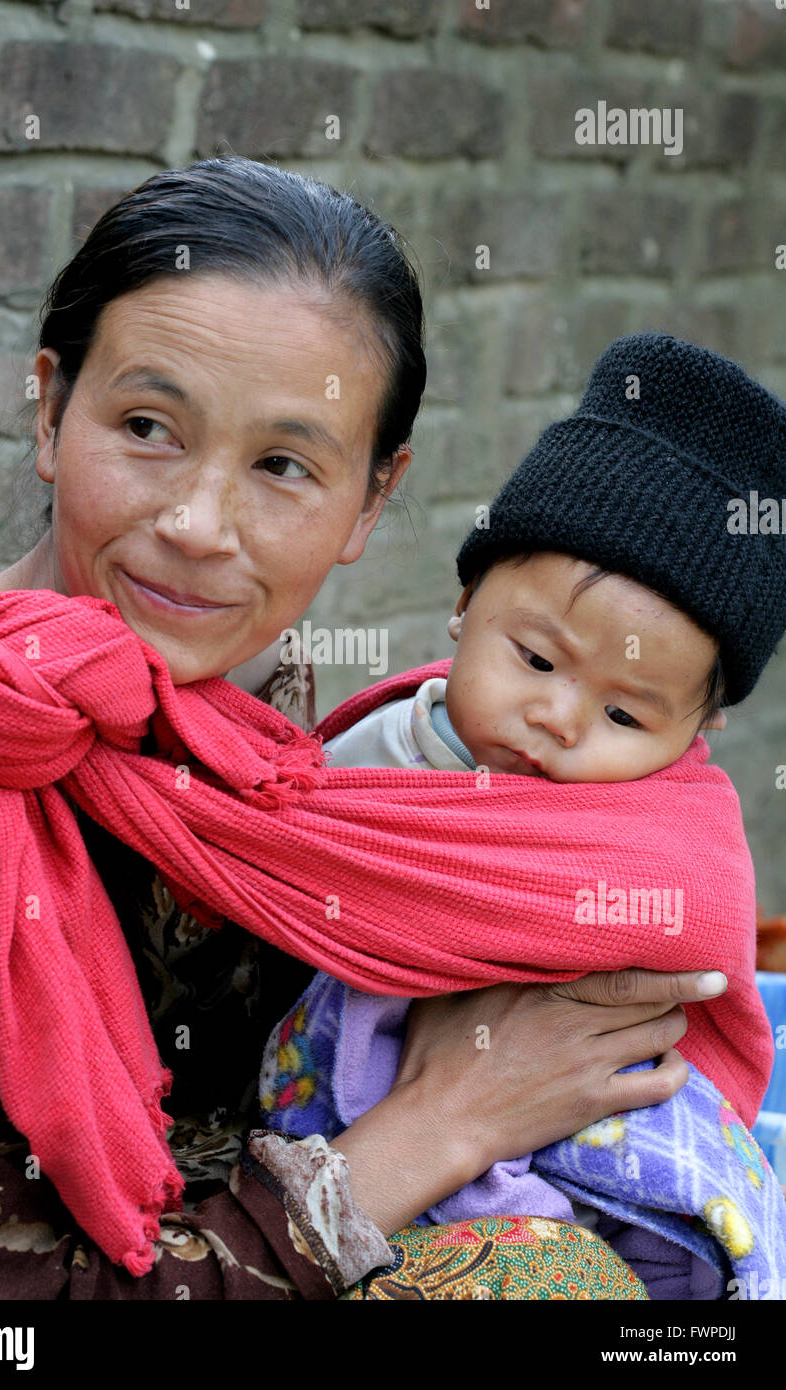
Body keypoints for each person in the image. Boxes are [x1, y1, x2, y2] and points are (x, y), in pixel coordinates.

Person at [0, 159, 721, 1301]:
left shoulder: (250, 701)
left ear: (371, 502)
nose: (196, 525)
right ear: (48, 408)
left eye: (284, 465)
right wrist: (448, 1118)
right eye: (145, 425)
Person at [261, 333, 786, 1298]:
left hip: (588, 1116)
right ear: (465, 604)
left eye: (624, 714)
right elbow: (285, 862)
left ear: (693, 732)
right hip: (376, 1133)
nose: (557, 716)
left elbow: (693, 936)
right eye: (536, 661)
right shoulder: (370, 755)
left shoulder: (667, 834)